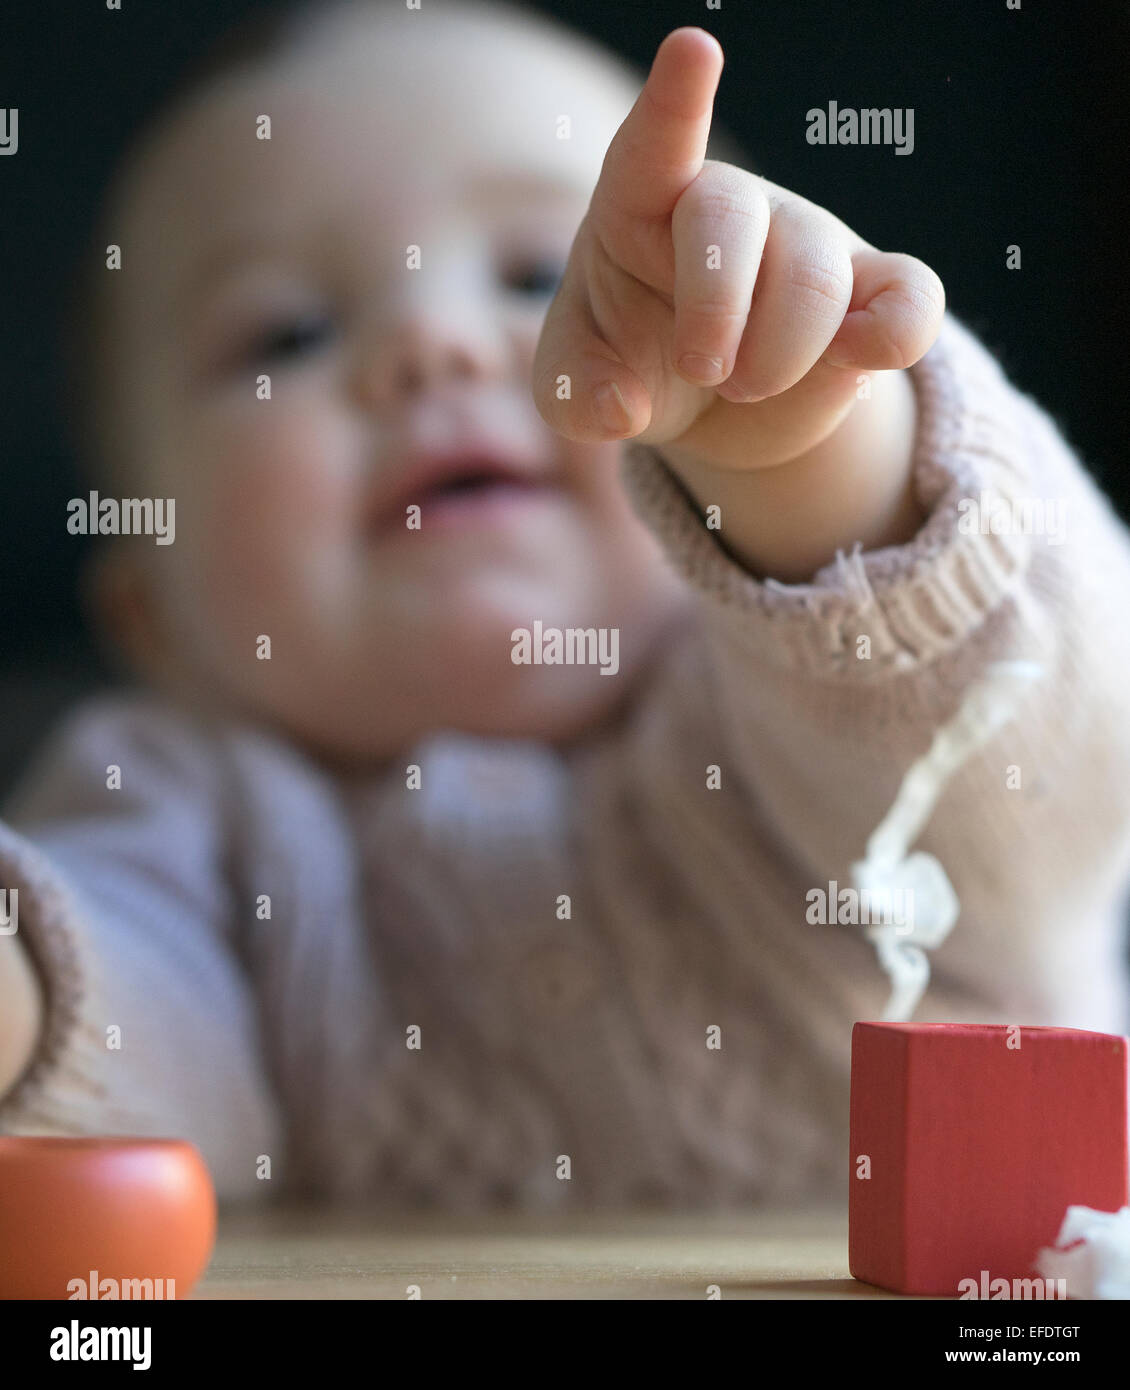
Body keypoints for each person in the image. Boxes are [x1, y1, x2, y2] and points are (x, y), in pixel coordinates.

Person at [2, 0, 1128, 1208]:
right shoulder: (182, 805)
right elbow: (138, 1053)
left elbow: (1021, 750)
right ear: (150, 619)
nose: (431, 342)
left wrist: (802, 452)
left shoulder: (806, 724)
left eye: (544, 274)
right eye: (289, 332)